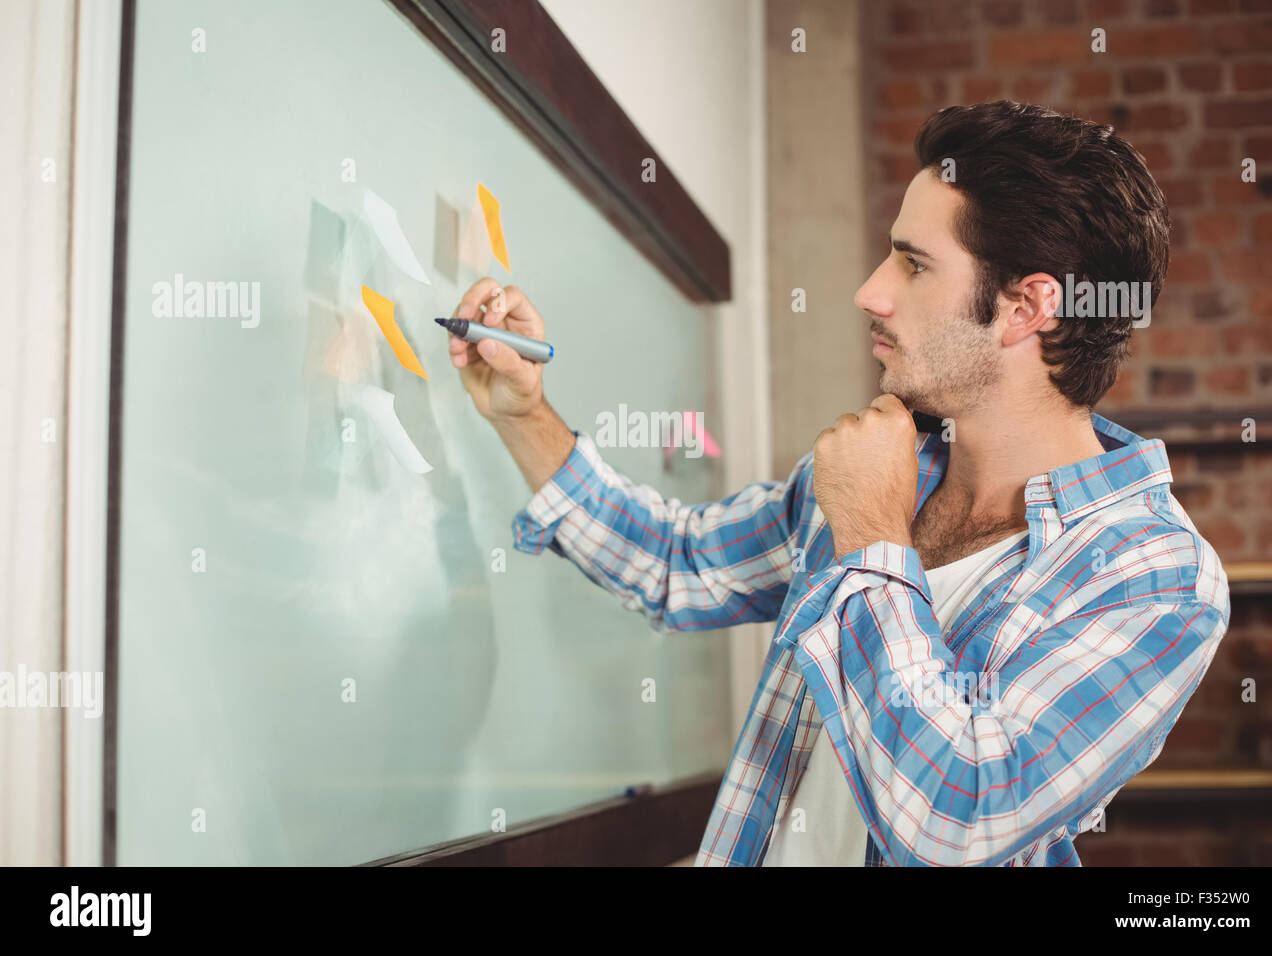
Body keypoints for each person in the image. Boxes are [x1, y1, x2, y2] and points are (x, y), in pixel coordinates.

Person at [444, 100, 1230, 867]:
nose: (870, 291)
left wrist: (872, 540)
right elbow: (675, 563)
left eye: (914, 264)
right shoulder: (890, 467)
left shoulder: (1153, 574)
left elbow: (960, 816)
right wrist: (525, 412)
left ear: (1026, 307)